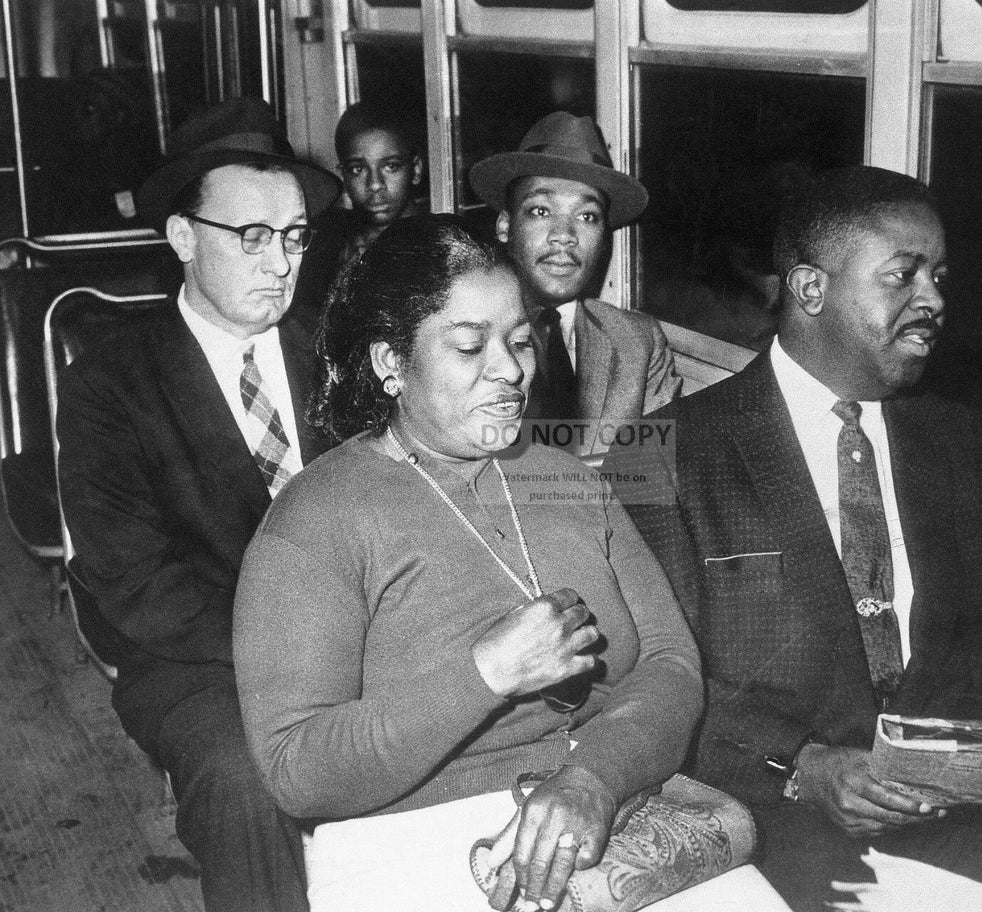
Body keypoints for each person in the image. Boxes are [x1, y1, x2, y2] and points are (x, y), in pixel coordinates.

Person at [604, 165, 982, 910]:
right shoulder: (653, 453)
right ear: (810, 290)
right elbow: (649, 677)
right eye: (902, 276)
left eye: (938, 275)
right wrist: (801, 766)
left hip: (971, 837)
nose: (932, 299)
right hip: (767, 831)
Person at [232, 215, 704, 912]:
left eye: (521, 341)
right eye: (468, 345)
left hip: (609, 808)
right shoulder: (315, 520)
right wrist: (486, 674)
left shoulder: (568, 479)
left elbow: (672, 662)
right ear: (390, 363)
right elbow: (294, 769)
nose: (511, 369)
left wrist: (593, 778)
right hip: (411, 843)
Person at [55, 97, 340, 912]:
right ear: (182, 238)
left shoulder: (338, 350)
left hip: (360, 632)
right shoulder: (109, 383)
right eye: (251, 236)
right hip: (196, 660)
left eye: (293, 237)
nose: (280, 262)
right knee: (247, 779)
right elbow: (137, 585)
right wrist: (300, 653)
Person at [469, 111, 681, 455]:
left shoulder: (636, 342)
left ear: (603, 237)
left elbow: (648, 483)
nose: (564, 236)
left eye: (587, 216)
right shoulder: (463, 334)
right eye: (541, 211)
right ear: (505, 226)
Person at [291, 102, 424, 313]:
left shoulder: (443, 247)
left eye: (391, 166)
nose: (375, 184)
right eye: (358, 169)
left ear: (416, 170)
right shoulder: (323, 250)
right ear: (342, 175)